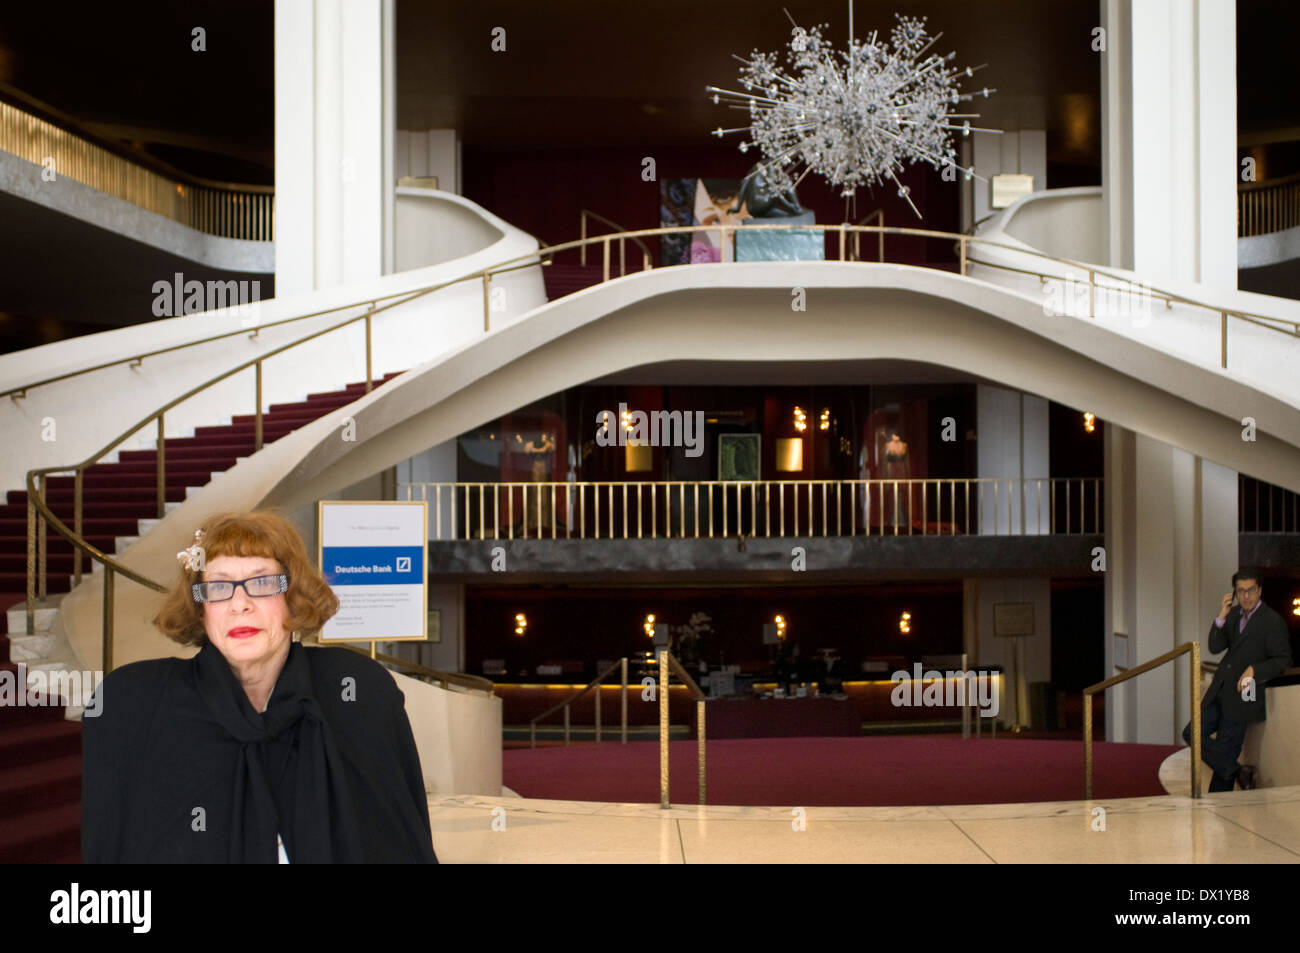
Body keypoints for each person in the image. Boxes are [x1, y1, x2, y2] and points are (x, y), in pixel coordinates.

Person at [81, 510, 438, 863]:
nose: (240, 604)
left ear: (292, 595)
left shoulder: (358, 692)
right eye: (219, 586)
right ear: (200, 607)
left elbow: (400, 836)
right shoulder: (139, 703)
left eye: (262, 582)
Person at [1181, 568, 1292, 792]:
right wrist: (1221, 616)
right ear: (1235, 593)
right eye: (1241, 591)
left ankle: (1218, 811)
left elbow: (1283, 659)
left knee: (1226, 751)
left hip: (1244, 696)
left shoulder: (1272, 621)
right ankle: (1238, 771)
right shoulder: (1233, 615)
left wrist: (1255, 669)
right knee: (1190, 733)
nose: (1246, 596)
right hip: (1219, 691)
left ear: (1259, 590)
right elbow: (1214, 647)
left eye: (1251, 590)